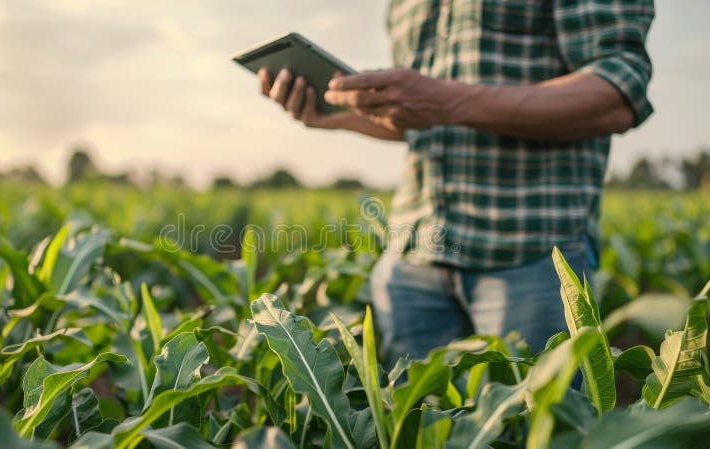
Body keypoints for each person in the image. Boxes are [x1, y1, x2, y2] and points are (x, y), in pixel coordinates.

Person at [257, 0, 654, 366]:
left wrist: (447, 101)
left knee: (536, 418)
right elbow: (422, 120)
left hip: (531, 255)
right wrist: (333, 115)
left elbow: (619, 92)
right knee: (417, 415)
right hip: (414, 256)